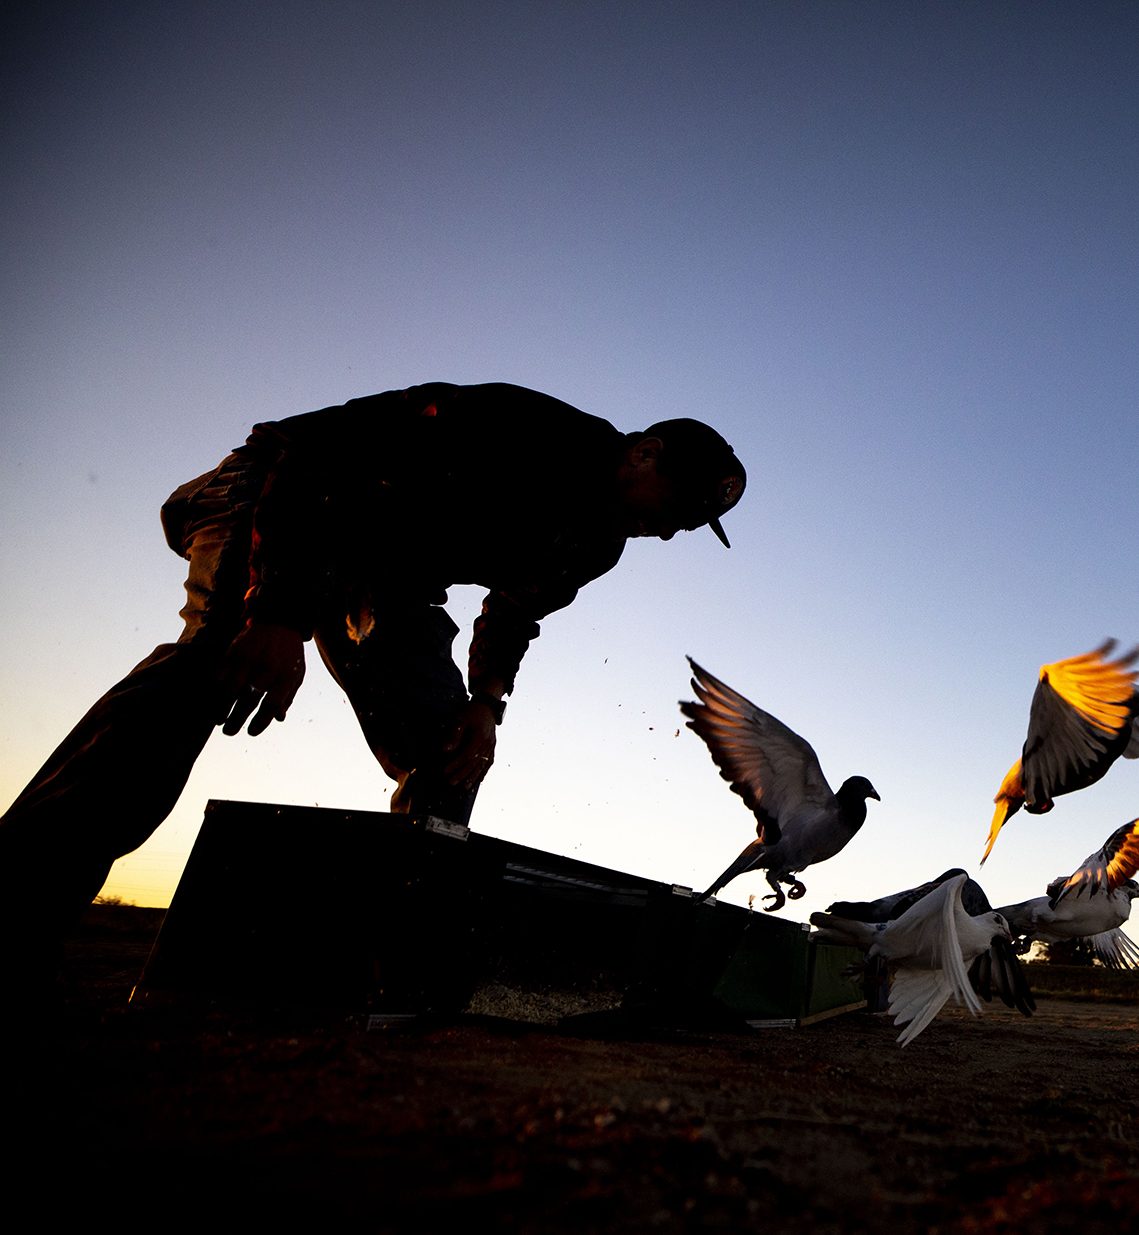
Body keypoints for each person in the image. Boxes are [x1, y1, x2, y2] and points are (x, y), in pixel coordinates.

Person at [2, 381, 745, 948]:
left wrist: (486, 704)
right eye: (675, 505)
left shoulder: (597, 544)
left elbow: (515, 612)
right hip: (279, 494)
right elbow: (317, 462)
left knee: (448, 751)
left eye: (688, 526)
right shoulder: (523, 429)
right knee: (213, 664)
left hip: (383, 571)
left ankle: (394, 958)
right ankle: (20, 900)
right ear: (644, 453)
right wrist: (279, 614)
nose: (671, 532)